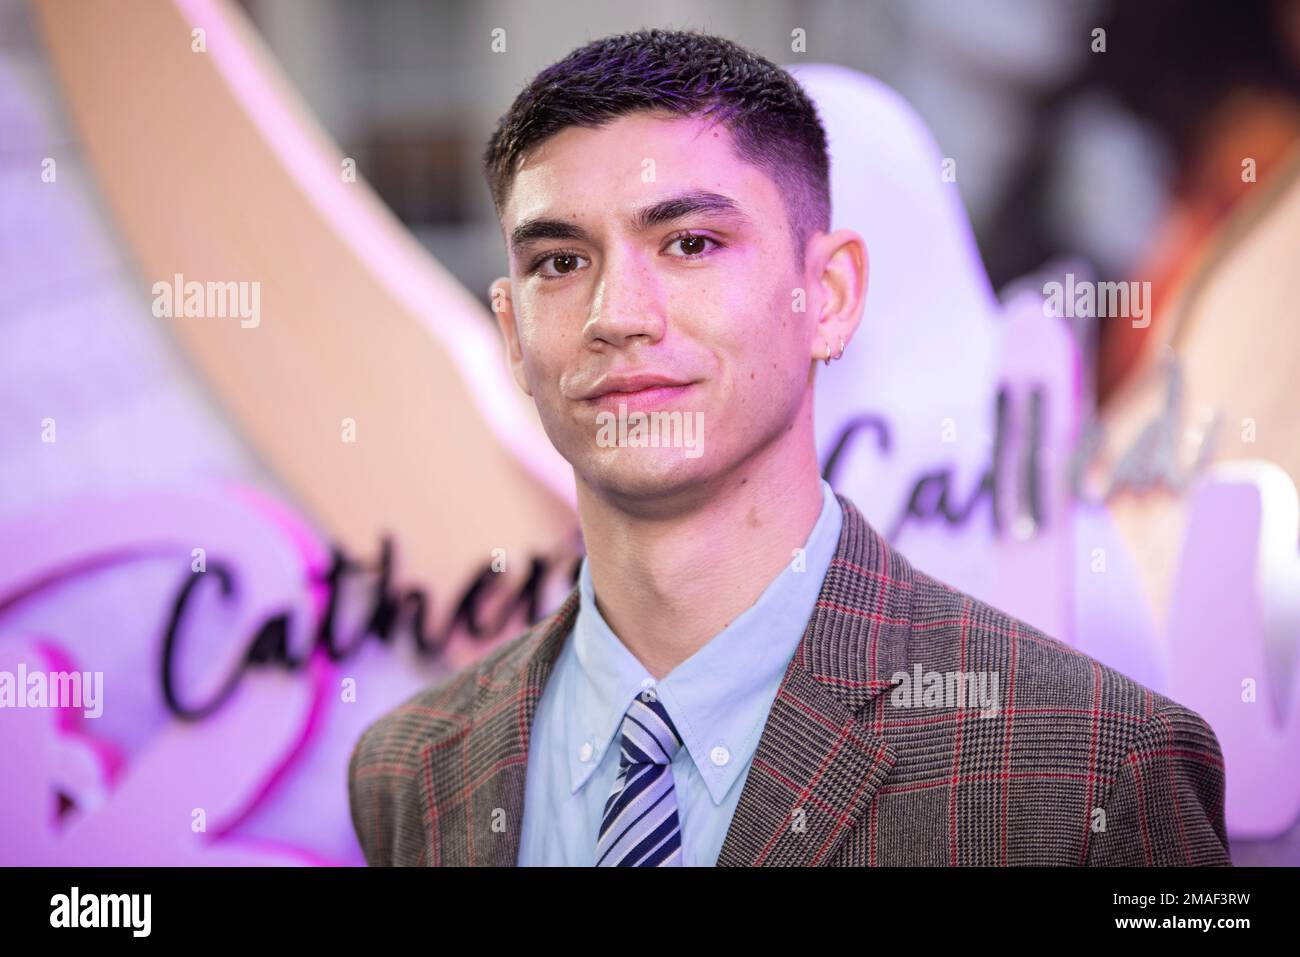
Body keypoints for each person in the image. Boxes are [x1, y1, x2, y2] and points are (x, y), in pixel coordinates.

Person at [348, 28, 1230, 867]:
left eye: (691, 243)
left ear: (832, 294)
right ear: (512, 330)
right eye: (560, 261)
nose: (617, 314)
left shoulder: (1091, 765)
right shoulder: (410, 771)